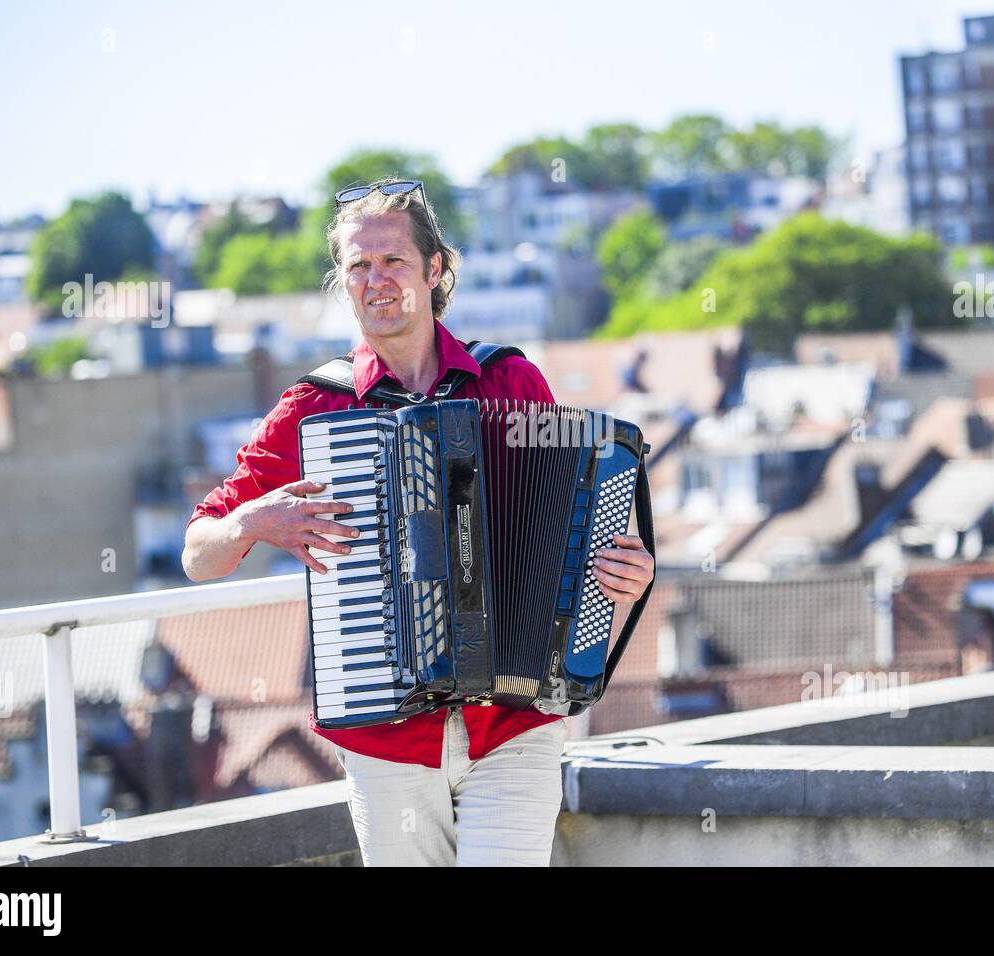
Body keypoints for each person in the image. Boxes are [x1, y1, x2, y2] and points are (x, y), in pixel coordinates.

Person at [182, 178, 654, 866]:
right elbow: (199, 555)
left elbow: (570, 532)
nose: (376, 281)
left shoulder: (511, 381)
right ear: (342, 283)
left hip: (515, 723)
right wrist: (255, 519)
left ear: (435, 270)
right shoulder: (315, 407)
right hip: (387, 738)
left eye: (393, 261)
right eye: (357, 267)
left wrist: (625, 572)